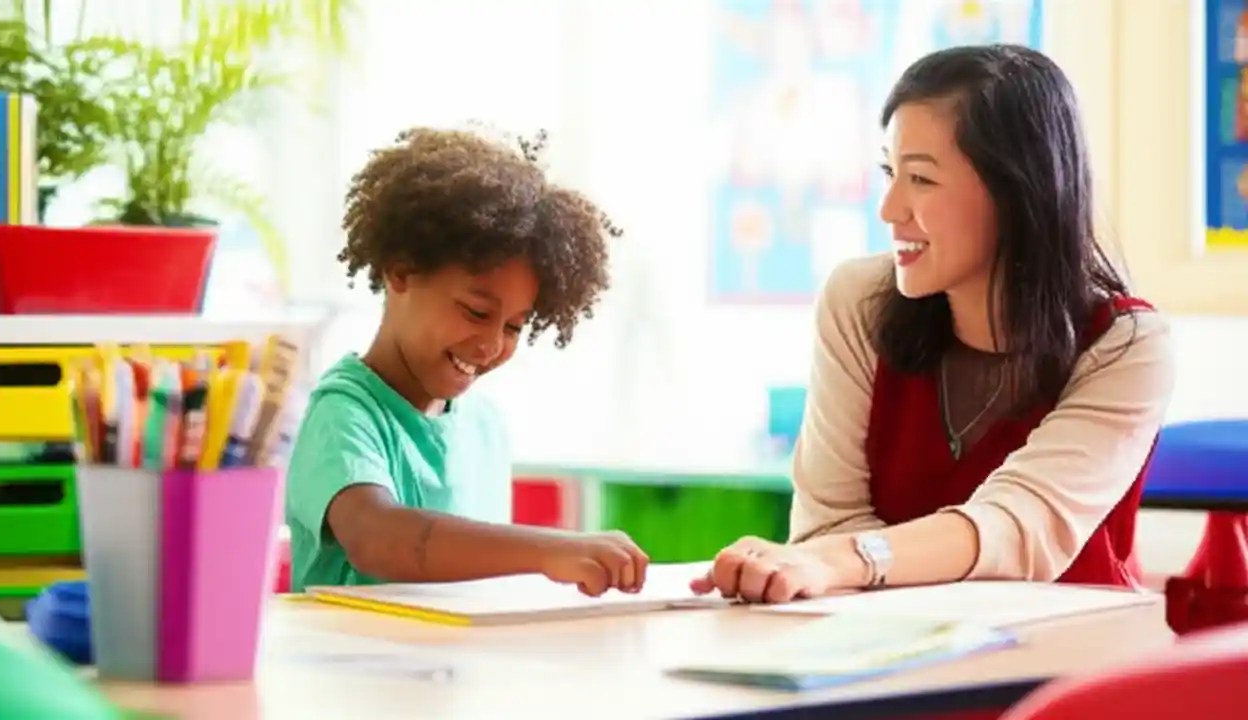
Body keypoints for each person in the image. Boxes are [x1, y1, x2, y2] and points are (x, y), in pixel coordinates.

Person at [692, 44, 1176, 603]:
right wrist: (833, 565)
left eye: (920, 179)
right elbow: (828, 524)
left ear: (1016, 190)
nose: (890, 208)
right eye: (889, 173)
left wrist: (846, 561)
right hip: (889, 653)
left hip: (1065, 664)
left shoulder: (1128, 346)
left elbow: (1018, 531)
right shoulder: (858, 303)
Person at [286, 127, 648, 596]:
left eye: (515, 327)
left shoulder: (483, 426)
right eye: (477, 312)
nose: (492, 344)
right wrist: (549, 550)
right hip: (356, 667)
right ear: (402, 270)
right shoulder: (345, 414)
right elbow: (377, 538)